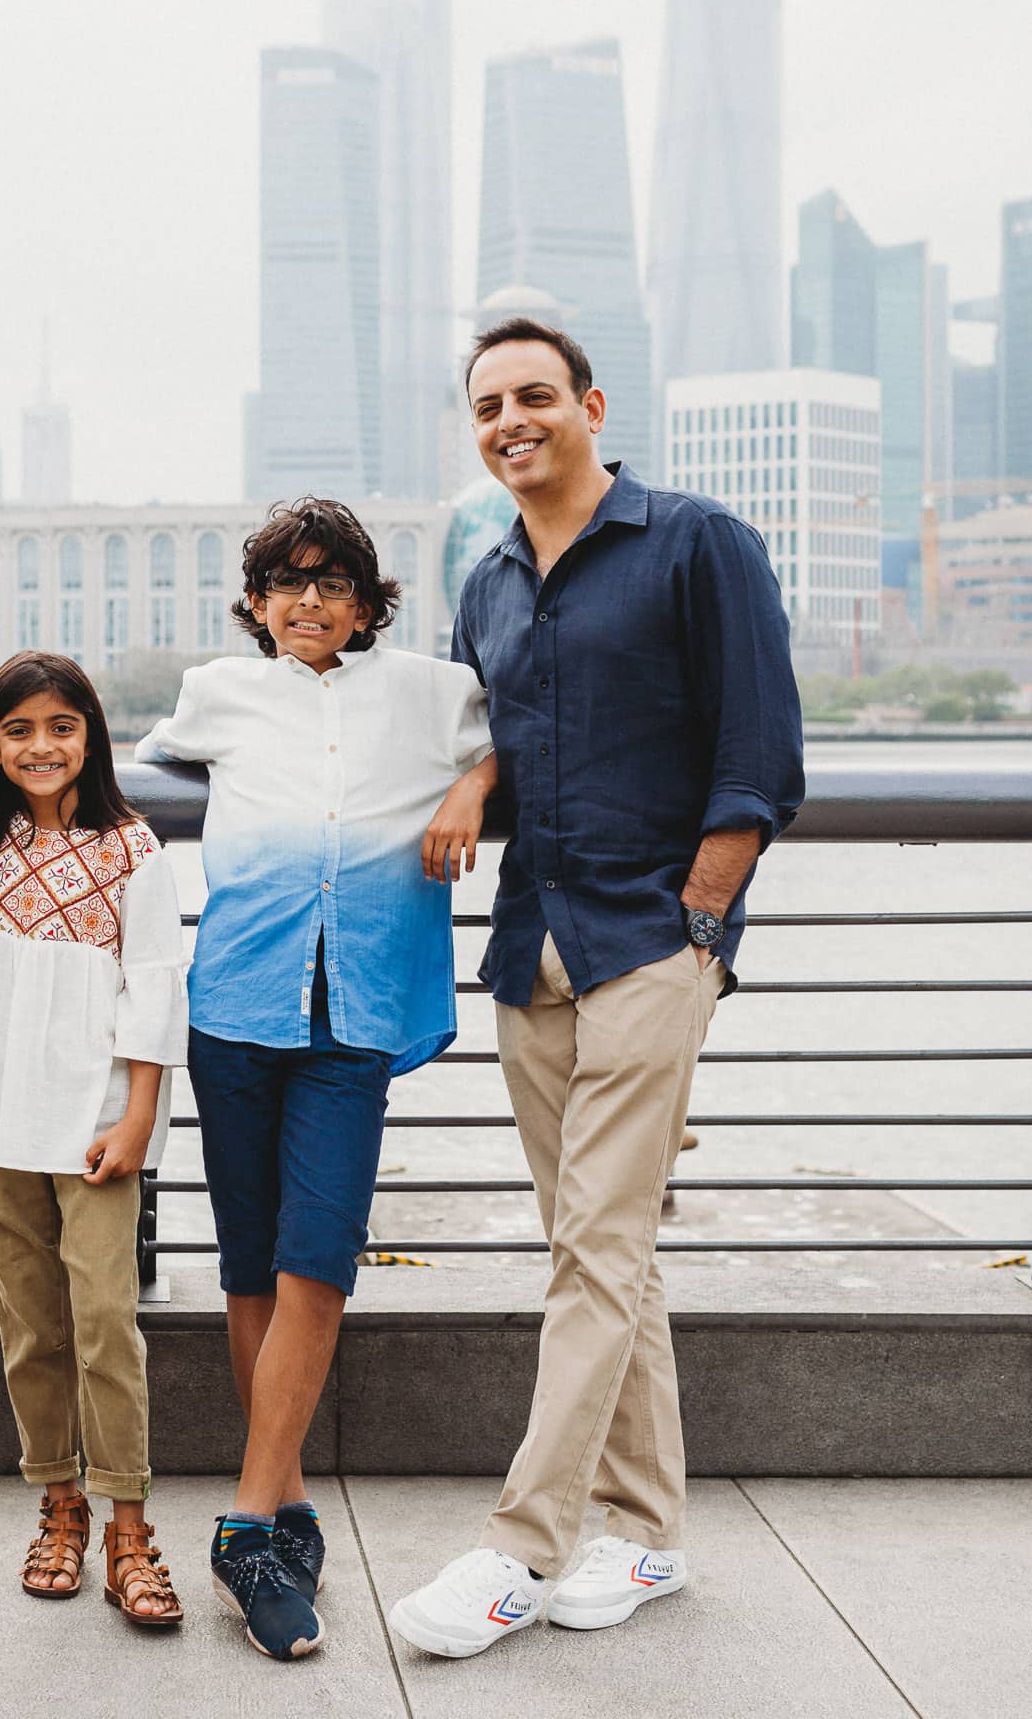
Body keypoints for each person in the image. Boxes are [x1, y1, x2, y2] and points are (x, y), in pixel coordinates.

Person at [388, 317, 804, 1659]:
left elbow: (761, 748)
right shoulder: (490, 579)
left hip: (648, 941)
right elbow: (495, 733)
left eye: (534, 396)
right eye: (488, 405)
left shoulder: (696, 542)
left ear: (590, 404)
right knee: (607, 1251)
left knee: (595, 1248)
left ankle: (523, 1549)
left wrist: (700, 920)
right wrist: (472, 777)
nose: (511, 419)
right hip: (532, 949)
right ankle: (650, 1533)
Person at [137, 498, 494, 1662]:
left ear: (366, 600)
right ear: (253, 602)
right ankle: (281, 1504)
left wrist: (470, 788)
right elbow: (125, 772)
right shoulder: (215, 694)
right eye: (284, 583)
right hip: (235, 1001)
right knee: (249, 1259)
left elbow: (520, 735)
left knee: (318, 1257)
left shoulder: (430, 693)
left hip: (357, 1013)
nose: (306, 602)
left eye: (330, 583)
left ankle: (243, 1525)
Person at [0, 651, 189, 1629]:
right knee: (29, 1319)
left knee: (105, 1316)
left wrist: (137, 1113)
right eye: (18, 728)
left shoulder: (131, 846)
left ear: (89, 736)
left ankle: (127, 1523)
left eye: (60, 725)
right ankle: (58, 1502)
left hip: (95, 1121)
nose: (40, 744)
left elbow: (154, 979)